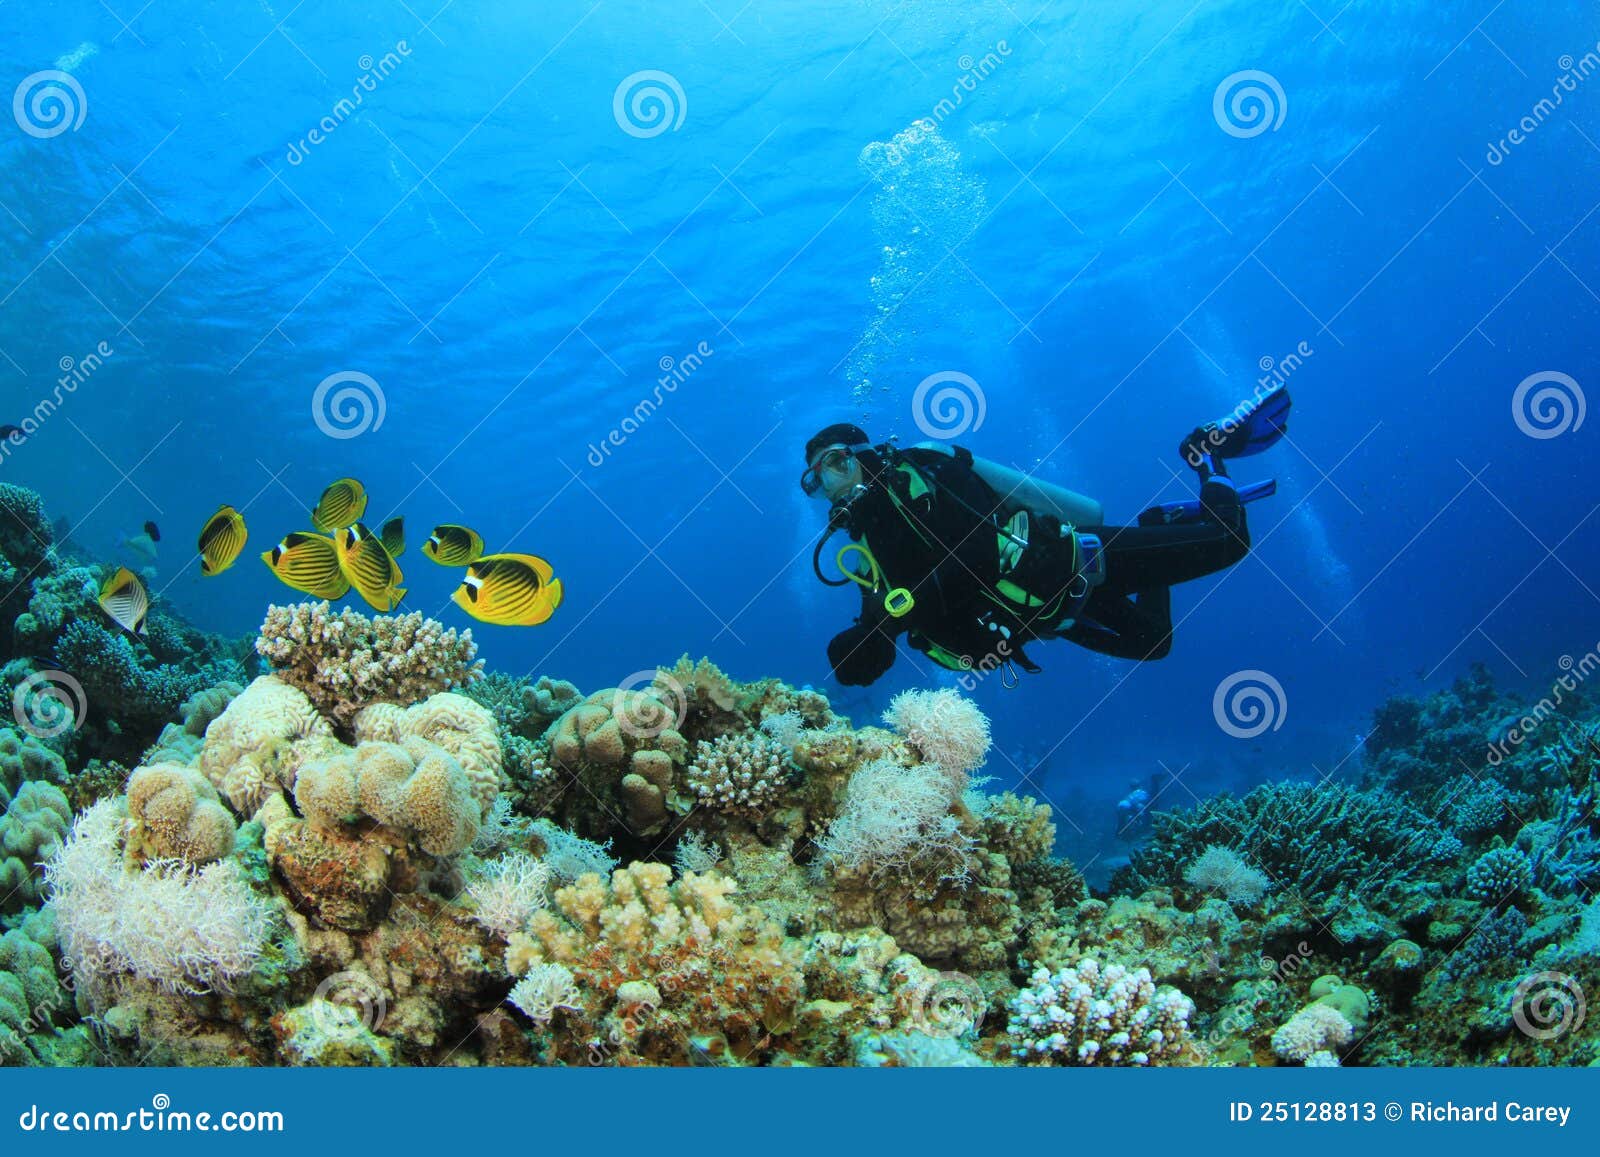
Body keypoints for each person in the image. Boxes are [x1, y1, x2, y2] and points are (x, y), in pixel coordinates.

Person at [801, 386, 1291, 686]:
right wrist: (864, 646)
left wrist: (898, 613)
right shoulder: (865, 552)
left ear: (865, 455)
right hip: (1052, 612)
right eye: (817, 478)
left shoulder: (924, 471)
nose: (831, 482)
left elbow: (977, 550)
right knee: (1152, 643)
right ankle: (1155, 525)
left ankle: (1206, 451)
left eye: (838, 463)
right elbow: (883, 621)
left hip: (1069, 561)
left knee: (1228, 540)